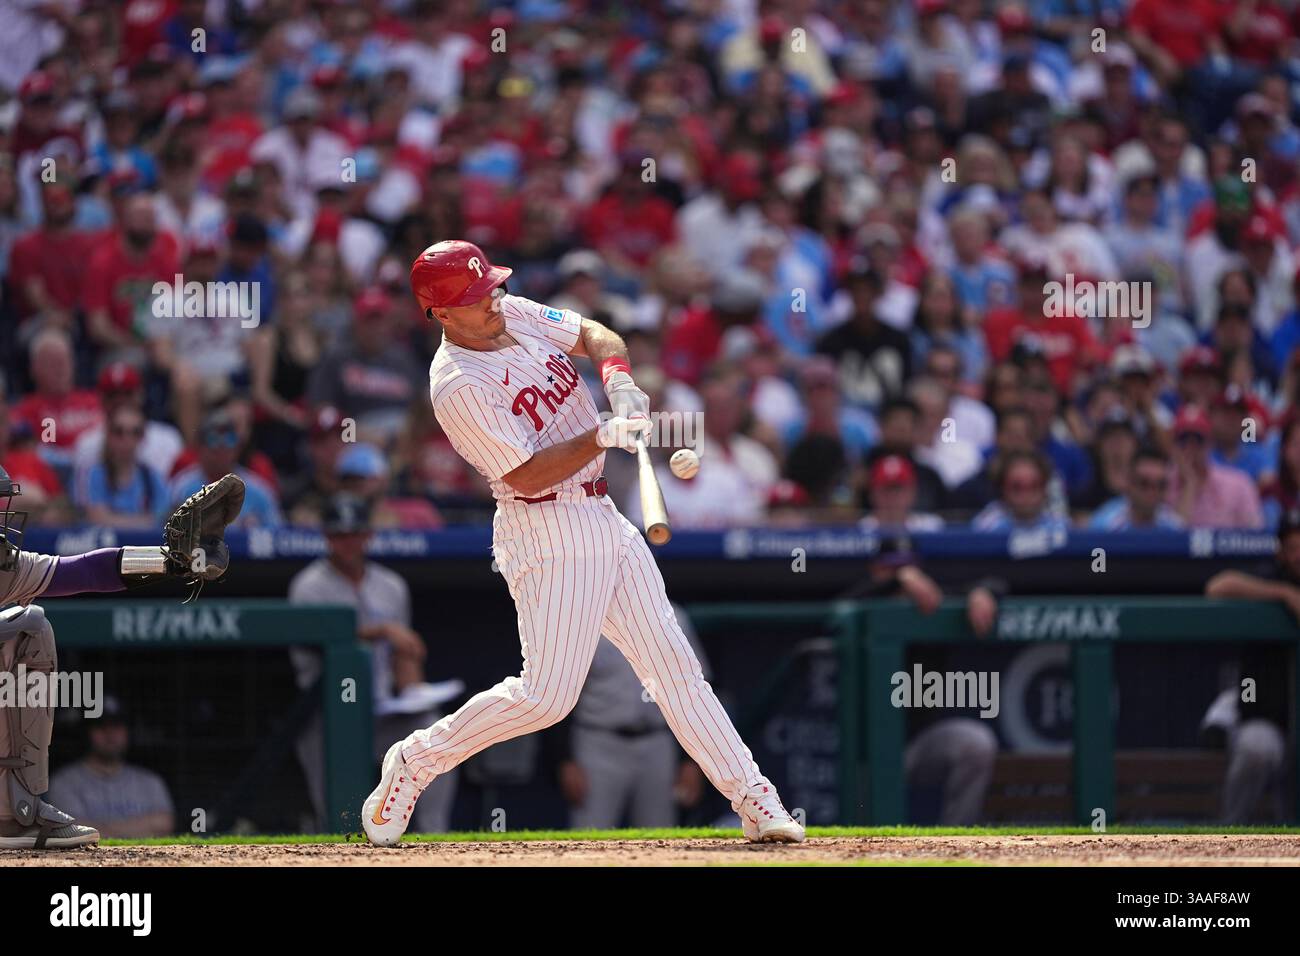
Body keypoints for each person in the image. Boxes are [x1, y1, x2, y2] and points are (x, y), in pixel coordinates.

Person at [362, 240, 803, 846]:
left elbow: (597, 334)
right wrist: (601, 433)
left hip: (602, 513)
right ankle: (415, 760)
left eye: (489, 284)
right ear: (438, 313)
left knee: (675, 668)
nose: (491, 298)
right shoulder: (456, 386)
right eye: (473, 295)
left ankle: (755, 799)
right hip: (544, 528)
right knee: (545, 698)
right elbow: (522, 474)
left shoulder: (509, 311)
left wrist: (620, 383)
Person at [0, 467, 244, 849]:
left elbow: (84, 571)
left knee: (33, 628)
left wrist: (173, 561)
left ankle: (12, 815)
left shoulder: (5, 568)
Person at [289, 494, 460, 833]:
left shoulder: (391, 586)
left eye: (355, 533)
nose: (348, 542)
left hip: (383, 712)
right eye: (340, 534)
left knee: (437, 735)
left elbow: (403, 652)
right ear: (326, 536)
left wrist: (414, 690)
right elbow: (321, 641)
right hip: (327, 714)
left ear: (368, 535)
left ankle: (435, 836)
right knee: (338, 818)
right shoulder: (308, 586)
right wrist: (382, 631)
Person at [557, 605, 708, 829]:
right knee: (590, 833)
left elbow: (694, 691)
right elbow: (558, 695)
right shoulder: (584, 617)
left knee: (660, 836)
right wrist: (564, 760)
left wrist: (692, 760)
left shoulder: (672, 616)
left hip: (657, 741)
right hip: (598, 742)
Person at [1201, 509, 1300, 822]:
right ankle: (1230, 836)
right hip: (1267, 720)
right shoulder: (1270, 576)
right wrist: (1283, 594)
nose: (1299, 555)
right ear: (1281, 551)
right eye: (1293, 547)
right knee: (1256, 749)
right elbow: (1217, 587)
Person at [46, 698, 174, 838]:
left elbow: (165, 824)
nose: (110, 734)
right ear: (86, 732)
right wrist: (139, 827)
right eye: (101, 726)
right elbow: (71, 831)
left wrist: (101, 829)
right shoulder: (64, 782)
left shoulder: (150, 782)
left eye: (117, 726)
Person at [1167, 404, 1264, 528]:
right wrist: (1189, 484)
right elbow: (1170, 540)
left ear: (1209, 444)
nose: (1190, 449)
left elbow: (1256, 538)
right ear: (1173, 447)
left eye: (1198, 441)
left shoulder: (1239, 484)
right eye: (1183, 441)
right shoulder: (1158, 484)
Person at [73, 404, 169, 528]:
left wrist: (113, 519)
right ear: (108, 434)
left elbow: (162, 520)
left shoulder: (152, 477)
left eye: (135, 432)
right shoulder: (90, 474)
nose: (127, 440)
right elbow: (97, 518)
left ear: (143, 437)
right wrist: (142, 521)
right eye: (119, 432)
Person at [1088, 448, 1185, 530]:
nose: (1152, 491)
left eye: (1160, 485)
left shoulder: (1175, 528)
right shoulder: (1104, 525)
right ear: (1129, 482)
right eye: (1144, 483)